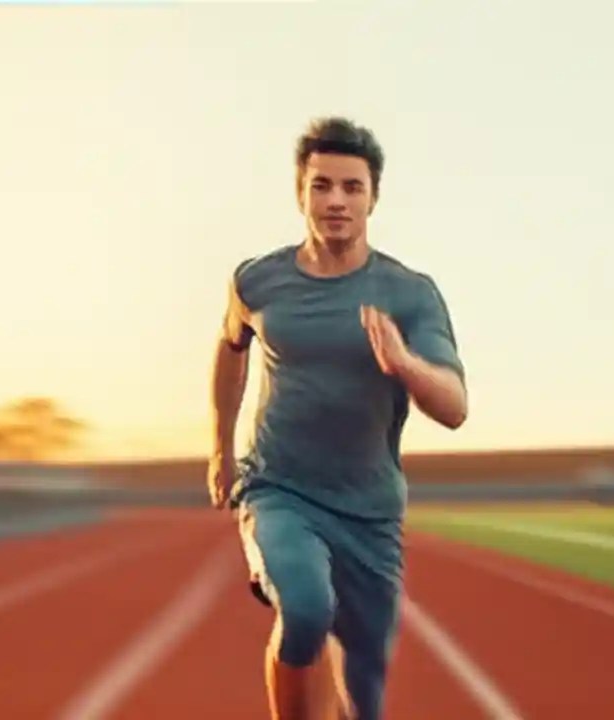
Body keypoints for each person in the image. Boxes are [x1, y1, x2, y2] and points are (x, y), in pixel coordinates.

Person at [207, 116, 468, 720]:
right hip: (279, 487)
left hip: (369, 510)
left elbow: (454, 407)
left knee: (366, 695)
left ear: (373, 196)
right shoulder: (258, 281)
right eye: (322, 185)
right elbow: (229, 348)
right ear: (301, 193)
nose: (336, 201)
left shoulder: (410, 295)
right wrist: (220, 448)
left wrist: (405, 363)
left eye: (351, 187)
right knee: (304, 609)